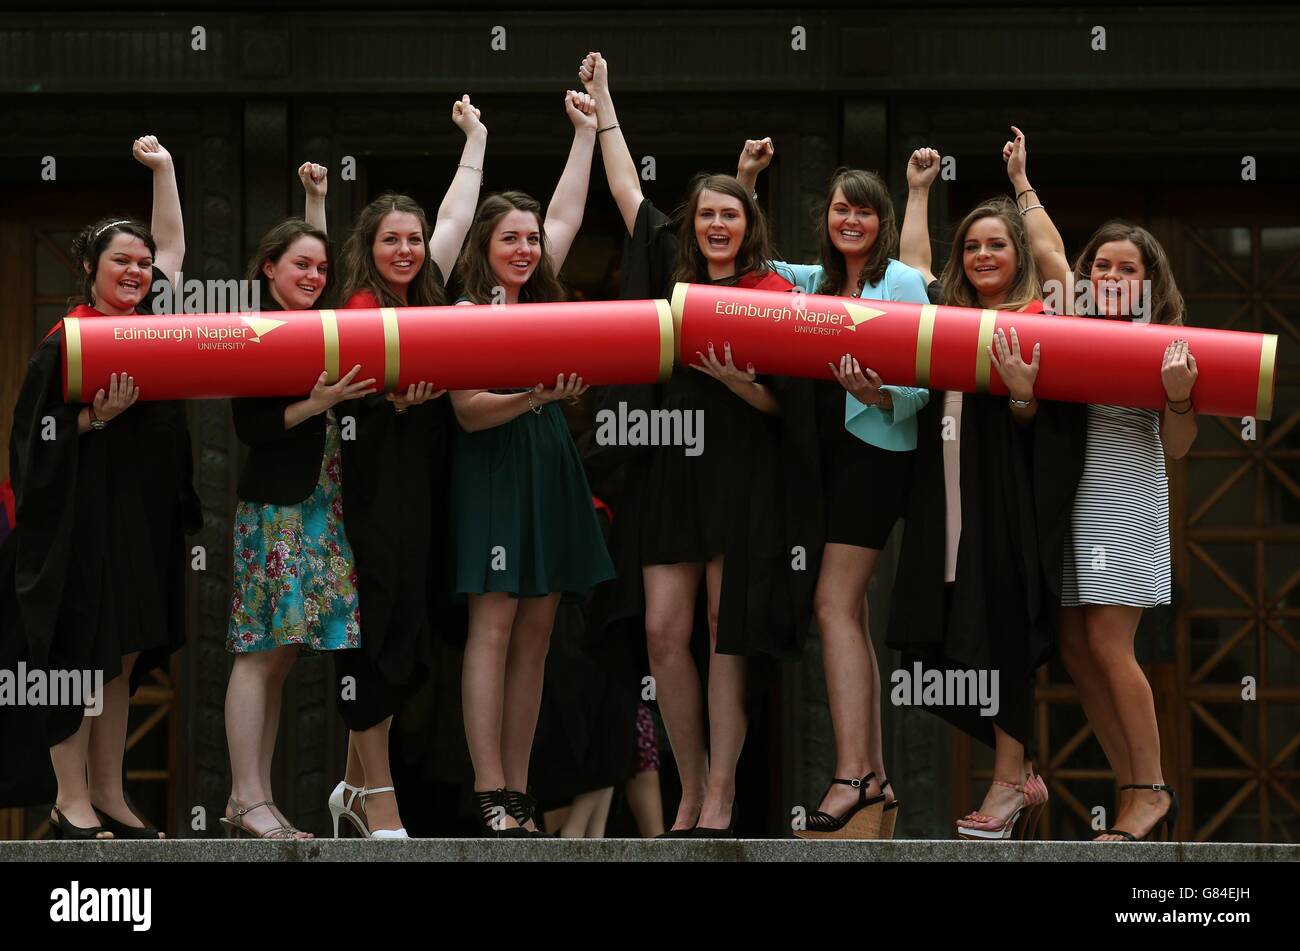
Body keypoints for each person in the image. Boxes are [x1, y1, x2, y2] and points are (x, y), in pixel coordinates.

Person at [579, 52, 811, 838]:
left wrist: (736, 378)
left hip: (742, 472)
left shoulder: (773, 294)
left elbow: (789, 401)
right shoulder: (668, 276)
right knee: (662, 631)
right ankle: (683, 787)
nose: (718, 225)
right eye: (708, 214)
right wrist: (607, 98)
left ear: (750, 229)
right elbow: (624, 192)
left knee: (723, 629)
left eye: (732, 216)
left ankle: (720, 792)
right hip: (669, 466)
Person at [0, 136, 201, 839]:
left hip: (137, 520)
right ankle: (69, 798)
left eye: (143, 264)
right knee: (74, 656)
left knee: (117, 654)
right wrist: (88, 419)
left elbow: (173, 246)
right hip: (74, 526)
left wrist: (165, 170)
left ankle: (111, 794)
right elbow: (31, 444)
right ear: (91, 267)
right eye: (122, 260)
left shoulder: (157, 327)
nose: (139, 272)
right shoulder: (64, 341)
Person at [892, 130, 1086, 839]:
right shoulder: (943, 315)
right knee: (941, 636)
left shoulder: (1040, 318)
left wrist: (1022, 183)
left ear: (1015, 256)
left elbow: (1059, 264)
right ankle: (1019, 765)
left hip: (1004, 492)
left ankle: (1009, 775)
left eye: (995, 246)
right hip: (941, 498)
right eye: (972, 246)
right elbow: (911, 267)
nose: (982, 256)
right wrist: (916, 191)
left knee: (1001, 624)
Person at [740, 142, 929, 838]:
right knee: (842, 610)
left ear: (881, 221)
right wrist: (749, 179)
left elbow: (924, 378)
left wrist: (881, 397)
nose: (852, 220)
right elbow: (747, 261)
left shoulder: (904, 282)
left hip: (877, 455)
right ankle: (872, 773)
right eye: (842, 209)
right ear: (829, 218)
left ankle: (851, 775)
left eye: (865, 211)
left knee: (832, 603)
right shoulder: (810, 280)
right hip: (822, 459)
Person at [451, 89, 615, 836]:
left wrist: (586, 133)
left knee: (540, 629)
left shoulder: (544, 303)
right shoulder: (463, 316)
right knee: (494, 623)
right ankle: (488, 787)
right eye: (509, 238)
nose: (524, 248)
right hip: (495, 464)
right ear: (484, 246)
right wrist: (535, 395)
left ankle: (519, 788)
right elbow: (466, 409)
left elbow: (568, 215)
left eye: (529, 239)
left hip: (550, 462)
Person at [328, 95, 487, 839]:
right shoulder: (358, 306)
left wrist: (474, 140)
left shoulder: (425, 295)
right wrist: (389, 405)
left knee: (408, 638)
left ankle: (355, 787)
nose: (408, 249)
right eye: (393, 239)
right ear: (370, 244)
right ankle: (377, 797)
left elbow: (455, 219)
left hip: (421, 489)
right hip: (368, 493)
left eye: (414, 239)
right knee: (374, 634)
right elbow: (346, 405)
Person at [223, 163, 377, 839]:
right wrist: (320, 402)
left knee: (283, 652)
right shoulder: (257, 327)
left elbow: (312, 254)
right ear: (268, 269)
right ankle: (246, 795)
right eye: (300, 266)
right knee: (260, 649)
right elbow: (249, 428)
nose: (314, 276)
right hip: (276, 507)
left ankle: (252, 798)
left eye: (320, 267)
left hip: (321, 502)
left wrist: (317, 201)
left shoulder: (317, 326)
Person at [1057, 221, 1195, 842]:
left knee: (1111, 644)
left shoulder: (1166, 343)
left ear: (1149, 283)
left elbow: (1179, 446)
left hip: (1126, 498)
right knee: (1076, 650)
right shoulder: (1064, 328)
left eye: (1127, 269)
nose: (1111, 277)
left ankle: (1152, 789)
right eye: (1102, 267)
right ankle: (1131, 788)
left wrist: (1179, 397)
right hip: (1068, 501)